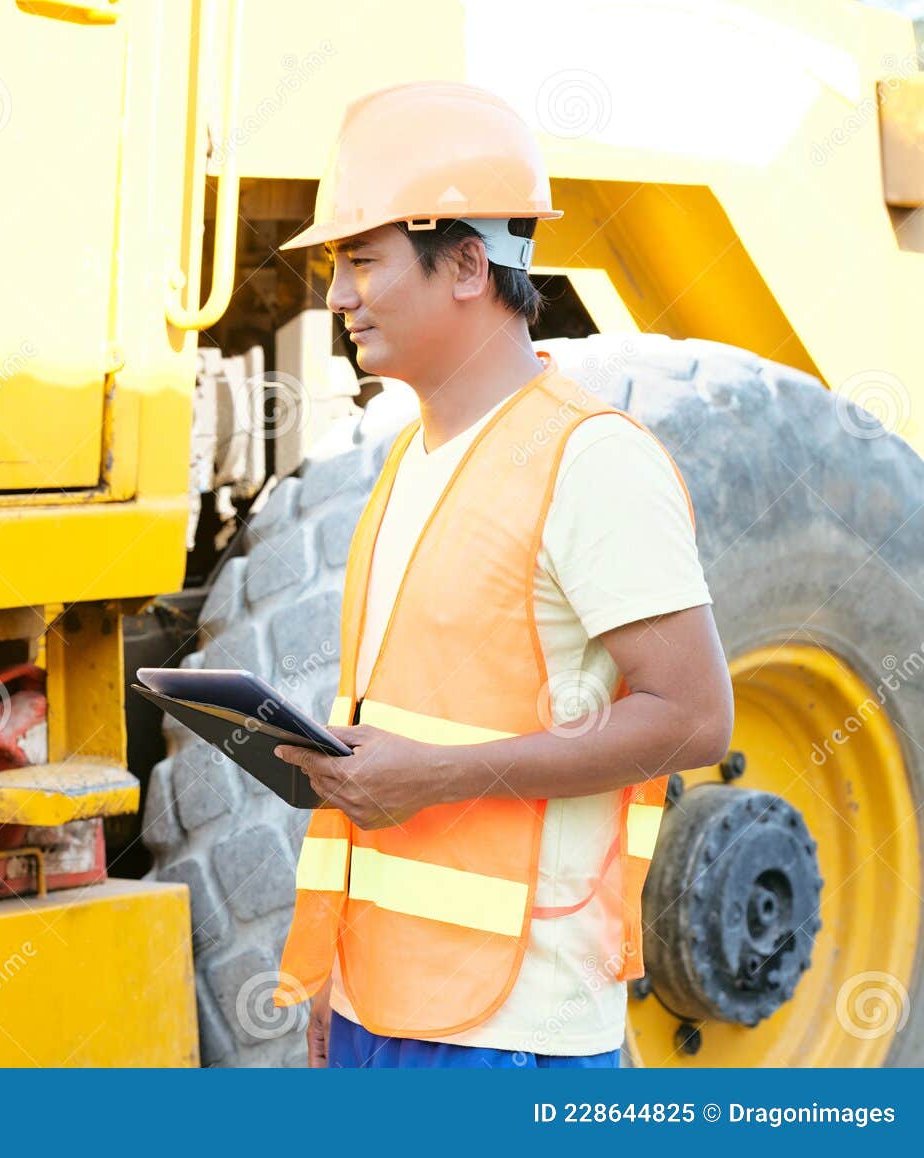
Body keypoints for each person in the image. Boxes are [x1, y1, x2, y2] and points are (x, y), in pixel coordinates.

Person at [271, 82, 734, 1069]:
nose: (337, 296)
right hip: (377, 1010)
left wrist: (436, 775)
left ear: (469, 265)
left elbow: (694, 720)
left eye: (360, 261)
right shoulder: (412, 459)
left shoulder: (591, 459)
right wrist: (333, 978)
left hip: (510, 1034)